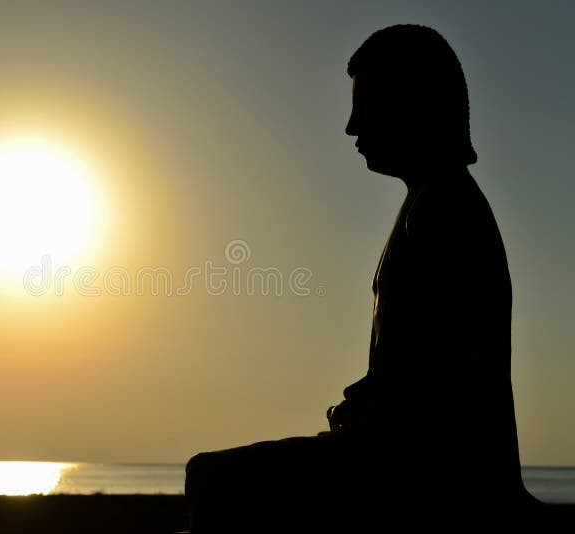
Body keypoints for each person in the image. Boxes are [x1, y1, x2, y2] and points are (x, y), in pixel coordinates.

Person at [184, 24, 537, 532]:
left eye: (366, 106)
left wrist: (367, 413)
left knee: (213, 478)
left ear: (412, 104)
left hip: (434, 473)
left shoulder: (445, 209)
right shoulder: (430, 203)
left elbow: (448, 384)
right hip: (410, 455)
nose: (351, 127)